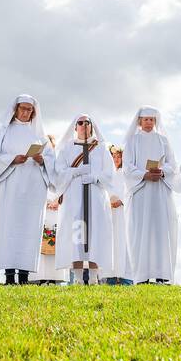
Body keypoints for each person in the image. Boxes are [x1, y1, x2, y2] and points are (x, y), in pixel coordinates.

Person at [0, 95, 54, 284]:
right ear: (15, 109)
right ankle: (8, 276)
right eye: (22, 108)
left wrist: (42, 160)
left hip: (33, 188)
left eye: (29, 109)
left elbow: (52, 161)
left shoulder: (40, 134)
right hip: (10, 185)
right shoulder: (3, 130)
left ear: (34, 112)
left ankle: (24, 276)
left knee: (29, 228)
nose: (25, 112)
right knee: (8, 227)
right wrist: (12, 159)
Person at [53, 114, 120, 285]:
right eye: (80, 123)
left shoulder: (101, 148)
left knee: (94, 235)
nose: (83, 125)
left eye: (87, 123)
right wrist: (76, 172)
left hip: (96, 199)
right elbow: (58, 172)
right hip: (74, 199)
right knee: (76, 235)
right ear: (75, 127)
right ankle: (77, 277)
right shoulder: (67, 148)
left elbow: (110, 174)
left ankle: (92, 277)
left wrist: (95, 177)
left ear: (92, 126)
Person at [122, 107, 181, 284]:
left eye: (151, 119)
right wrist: (144, 174)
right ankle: (142, 275)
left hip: (160, 192)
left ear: (156, 121)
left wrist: (162, 172)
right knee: (141, 231)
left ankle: (163, 274)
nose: (148, 122)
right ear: (139, 121)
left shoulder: (163, 140)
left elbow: (173, 164)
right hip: (141, 192)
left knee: (161, 230)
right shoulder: (132, 141)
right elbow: (127, 167)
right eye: (145, 119)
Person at [99, 145, 134, 285]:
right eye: (113, 157)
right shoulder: (108, 174)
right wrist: (109, 200)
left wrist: (121, 201)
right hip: (110, 212)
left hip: (122, 213)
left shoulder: (126, 173)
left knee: (123, 242)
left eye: (119, 156)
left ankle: (125, 275)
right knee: (110, 242)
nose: (116, 159)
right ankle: (110, 275)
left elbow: (130, 190)